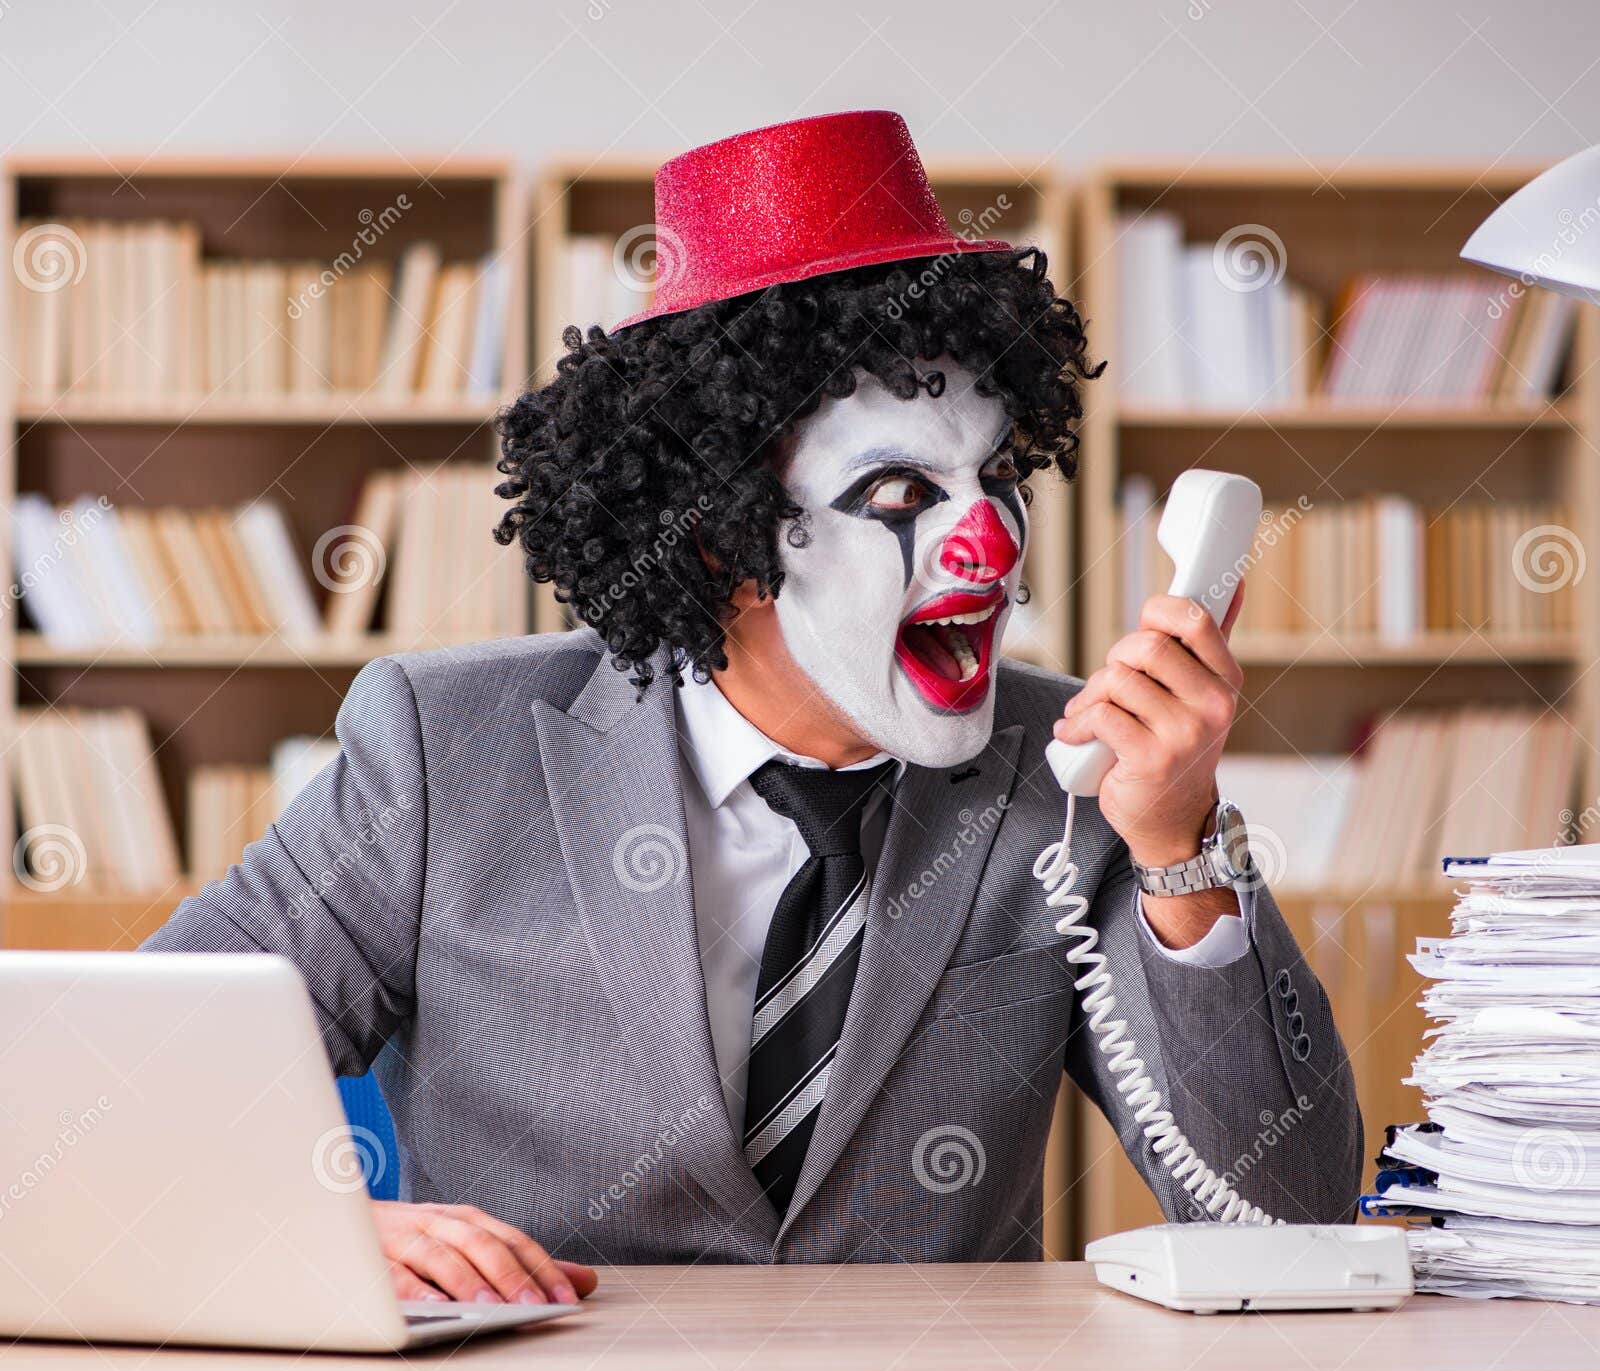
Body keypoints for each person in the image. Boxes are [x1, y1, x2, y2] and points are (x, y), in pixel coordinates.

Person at [145, 110, 1362, 1305]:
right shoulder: (445, 749)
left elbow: (1290, 1215)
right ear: (722, 537)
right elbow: (125, 1091)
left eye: (995, 475)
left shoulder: (1080, 775)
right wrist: (323, 1228)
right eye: (900, 488)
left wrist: (1176, 845)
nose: (990, 539)